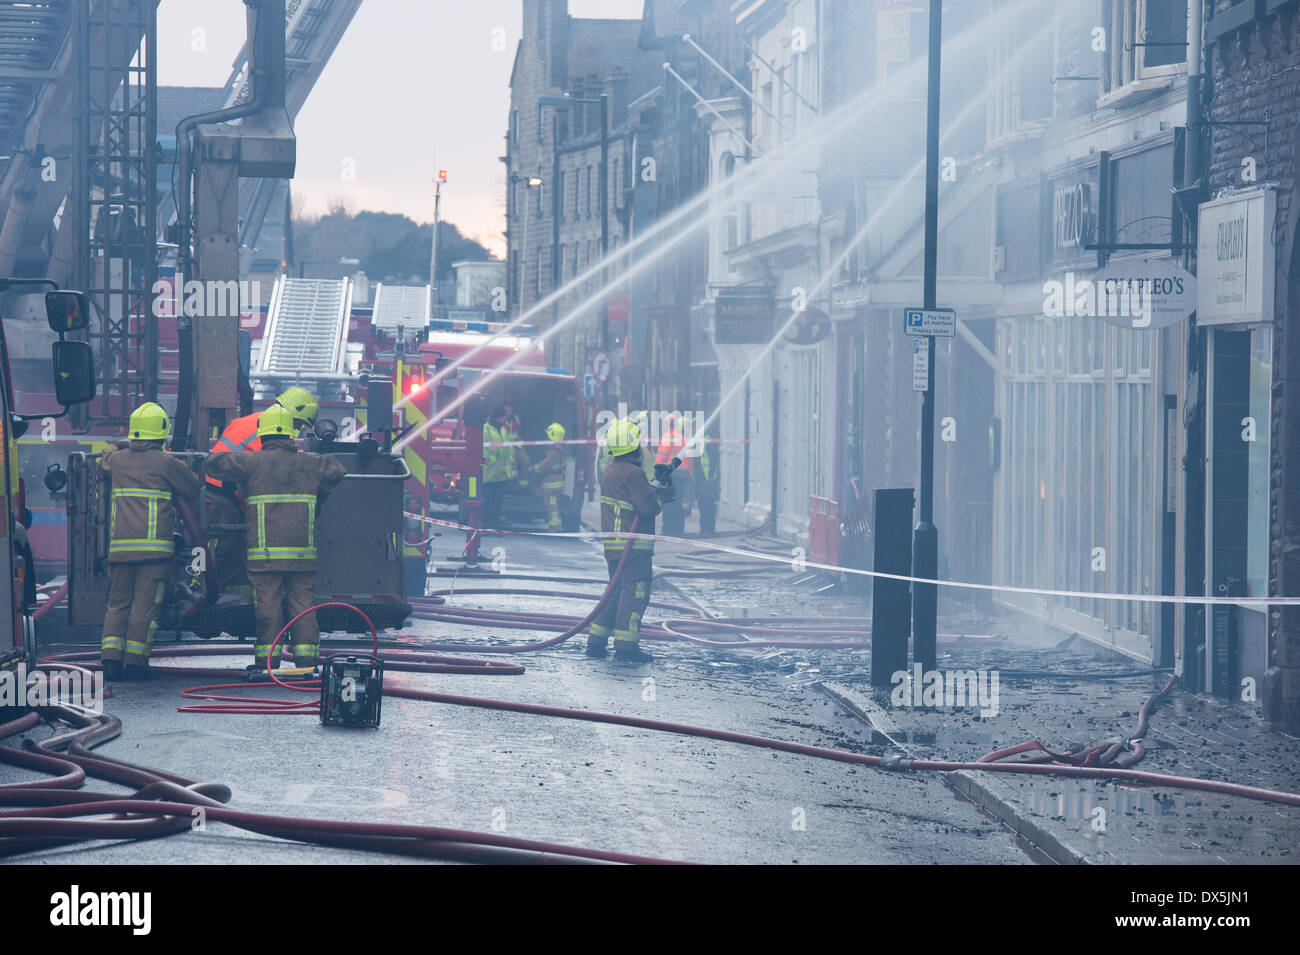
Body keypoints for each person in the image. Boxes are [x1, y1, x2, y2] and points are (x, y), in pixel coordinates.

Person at [204, 405, 346, 671]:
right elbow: (337, 470)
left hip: (265, 555)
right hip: (302, 554)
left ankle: (267, 663)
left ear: (263, 434)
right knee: (303, 607)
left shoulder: (252, 462)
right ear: (292, 433)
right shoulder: (310, 462)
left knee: (268, 608)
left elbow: (213, 464)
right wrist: (320, 496)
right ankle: (306, 662)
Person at [100, 403, 201, 681]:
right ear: (161, 433)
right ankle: (135, 663)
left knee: (117, 603)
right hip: (154, 553)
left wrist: (108, 451)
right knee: (144, 606)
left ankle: (109, 661)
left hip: (120, 551)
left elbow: (103, 462)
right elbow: (192, 488)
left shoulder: (117, 461)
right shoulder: (166, 463)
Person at [205, 386, 320, 594]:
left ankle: (223, 597)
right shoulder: (266, 427)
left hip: (220, 492)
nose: (297, 430)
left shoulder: (252, 420)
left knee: (227, 551)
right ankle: (202, 593)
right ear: (293, 413)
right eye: (299, 424)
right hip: (222, 495)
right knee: (219, 551)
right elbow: (269, 468)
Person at [587, 418, 673, 664]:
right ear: (633, 446)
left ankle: (596, 641)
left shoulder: (611, 469)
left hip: (615, 545)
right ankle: (626, 646)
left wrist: (652, 486)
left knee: (614, 592)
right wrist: (661, 494)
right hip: (633, 547)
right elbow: (646, 508)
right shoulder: (633, 473)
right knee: (634, 593)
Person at [656, 413, 694, 537]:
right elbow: (688, 457)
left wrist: (658, 473)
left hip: (670, 474)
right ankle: (679, 528)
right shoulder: (681, 437)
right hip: (683, 473)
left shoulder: (668, 437)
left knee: (667, 501)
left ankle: (668, 528)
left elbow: (661, 457)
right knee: (678, 502)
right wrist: (689, 473)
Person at [481, 404, 517, 529]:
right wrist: (494, 463)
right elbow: (484, 450)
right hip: (489, 475)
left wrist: (511, 460)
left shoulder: (503, 429)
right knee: (488, 503)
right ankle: (487, 524)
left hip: (501, 475)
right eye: (503, 416)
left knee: (497, 503)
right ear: (498, 417)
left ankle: (494, 525)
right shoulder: (485, 430)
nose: (506, 418)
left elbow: (508, 448)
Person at [533, 422, 567, 532]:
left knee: (552, 506)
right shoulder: (558, 450)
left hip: (551, 485)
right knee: (552, 505)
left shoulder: (554, 451)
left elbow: (544, 465)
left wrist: (534, 468)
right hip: (554, 483)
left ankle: (555, 527)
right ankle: (555, 526)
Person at [695, 434, 720, 535]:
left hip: (708, 480)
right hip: (700, 479)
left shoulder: (707, 442)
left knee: (708, 505)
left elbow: (713, 460)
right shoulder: (696, 442)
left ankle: (709, 528)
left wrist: (711, 475)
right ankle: (705, 528)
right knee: (702, 505)